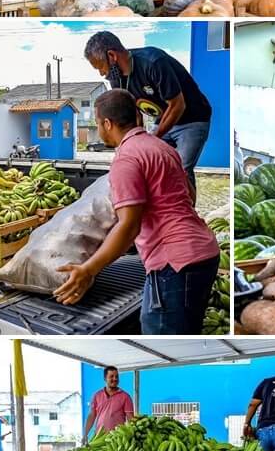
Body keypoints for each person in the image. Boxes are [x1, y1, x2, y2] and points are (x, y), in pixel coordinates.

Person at [54, 90, 220, 335]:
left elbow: (129, 225)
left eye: (98, 123)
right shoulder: (163, 148)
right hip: (204, 253)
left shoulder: (126, 158)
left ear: (107, 124)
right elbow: (190, 197)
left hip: (175, 262)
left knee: (161, 335)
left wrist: (88, 269)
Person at [84, 31, 212, 193]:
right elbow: (132, 112)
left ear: (112, 56)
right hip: (164, 118)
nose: (102, 73)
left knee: (181, 167)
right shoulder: (116, 78)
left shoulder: (153, 62)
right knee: (149, 160)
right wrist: (134, 143)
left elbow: (178, 105)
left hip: (192, 118)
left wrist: (152, 139)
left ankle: (186, 211)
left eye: (100, 67)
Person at [83, 367, 135, 441]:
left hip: (117, 438)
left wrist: (132, 435)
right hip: (99, 437)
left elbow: (130, 418)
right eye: (111, 376)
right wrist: (85, 434)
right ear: (105, 378)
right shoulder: (97, 395)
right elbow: (92, 416)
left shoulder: (125, 397)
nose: (115, 379)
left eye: (116, 376)